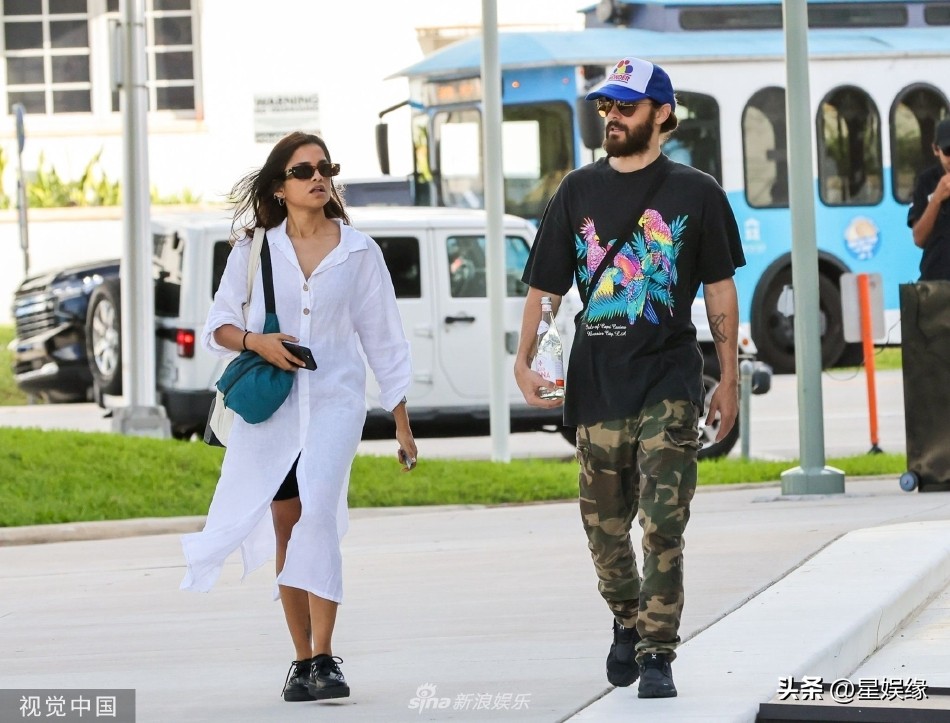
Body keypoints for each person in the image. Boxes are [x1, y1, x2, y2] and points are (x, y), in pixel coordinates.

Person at [514, 57, 745, 699]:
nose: (611, 116)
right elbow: (545, 287)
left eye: (625, 106)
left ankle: (657, 652)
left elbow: (720, 290)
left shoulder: (697, 192)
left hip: (670, 379)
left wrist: (727, 379)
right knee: (605, 531)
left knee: (664, 521)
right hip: (597, 382)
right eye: (606, 106)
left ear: (662, 114)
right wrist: (524, 359)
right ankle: (626, 616)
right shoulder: (576, 191)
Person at [180, 131, 417, 703]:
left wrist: (402, 422)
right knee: (287, 526)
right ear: (279, 188)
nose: (318, 178)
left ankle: (327, 656)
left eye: (325, 168)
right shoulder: (254, 251)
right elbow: (217, 326)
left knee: (319, 515)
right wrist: (257, 342)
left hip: (335, 405)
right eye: (304, 170)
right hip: (274, 414)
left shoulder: (359, 252)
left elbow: (384, 338)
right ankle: (302, 659)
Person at [908, 118, 950, 281]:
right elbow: (919, 239)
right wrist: (937, 198)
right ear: (936, 149)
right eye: (948, 151)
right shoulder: (926, 181)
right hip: (936, 280)